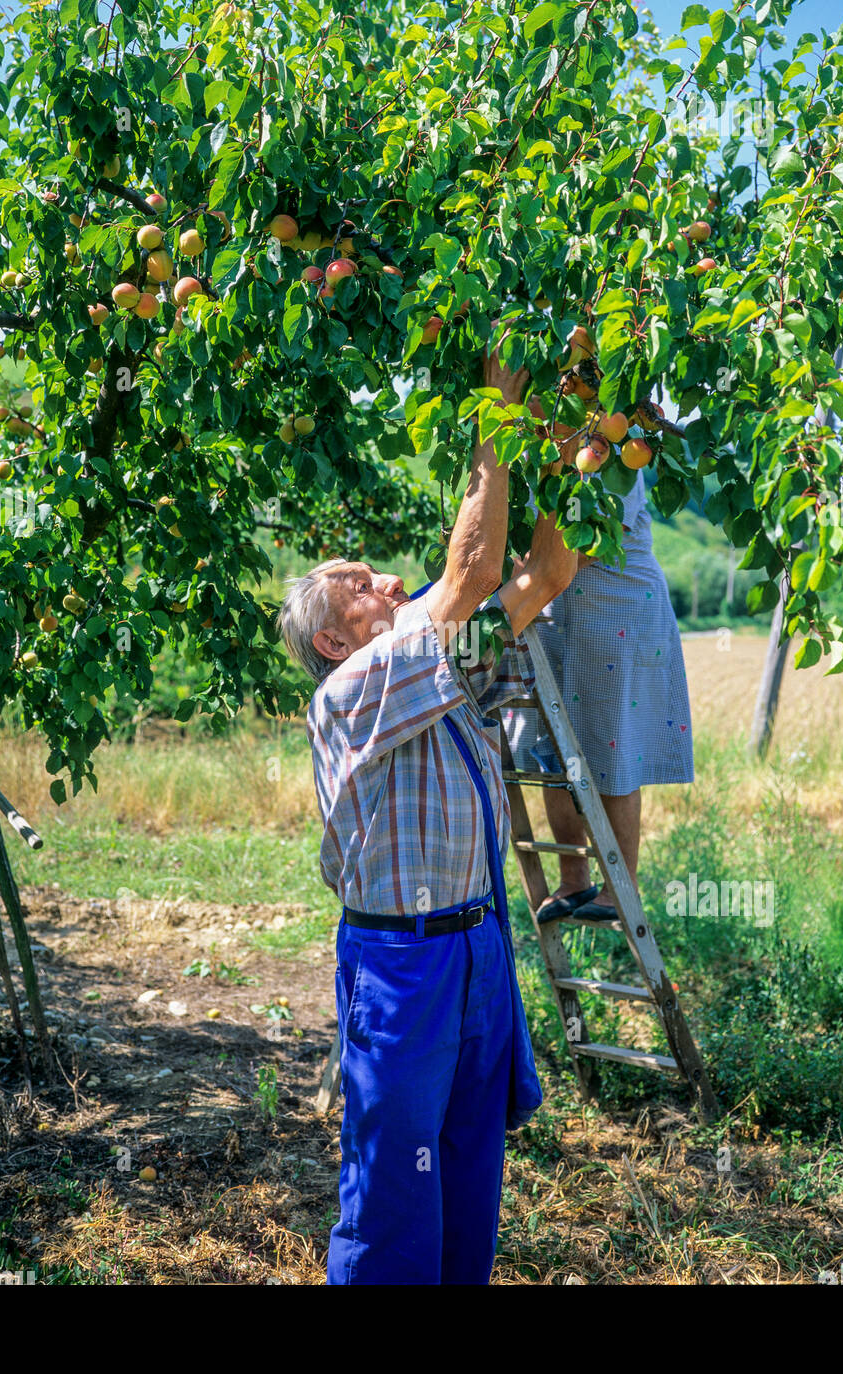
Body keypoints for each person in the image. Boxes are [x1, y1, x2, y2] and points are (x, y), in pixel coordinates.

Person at [277, 342, 577, 1285]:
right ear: (334, 637)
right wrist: (501, 408)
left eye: (378, 574)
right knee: (392, 1186)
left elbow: (544, 576)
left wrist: (576, 448)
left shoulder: (428, 670)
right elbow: (478, 572)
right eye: (361, 586)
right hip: (402, 961)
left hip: (475, 945)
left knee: (468, 1161)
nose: (388, 585)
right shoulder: (357, 687)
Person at [504, 462, 693, 923]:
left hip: (616, 605)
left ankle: (618, 887)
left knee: (613, 750)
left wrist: (526, 580)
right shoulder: (527, 452)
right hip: (549, 606)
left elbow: (597, 538)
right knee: (548, 746)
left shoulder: (611, 454)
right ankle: (574, 878)